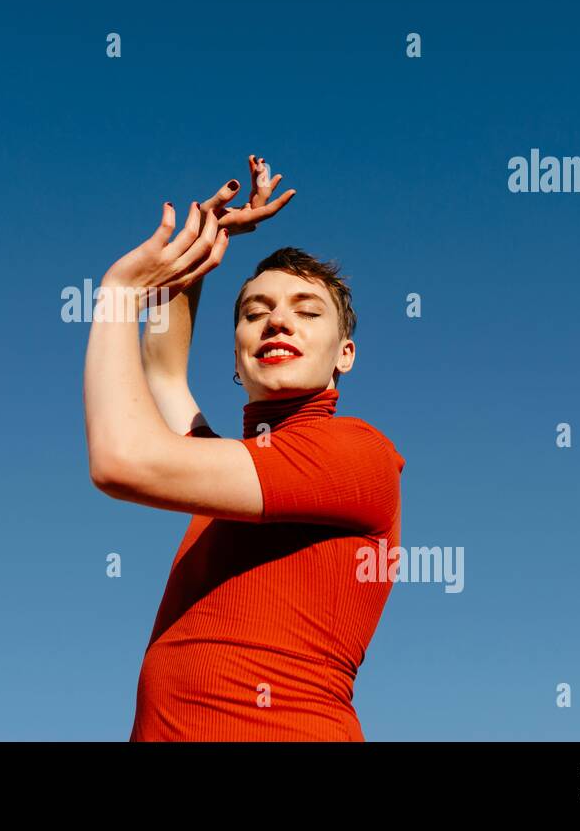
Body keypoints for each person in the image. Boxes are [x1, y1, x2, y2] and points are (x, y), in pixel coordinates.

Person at [84, 155, 406, 741]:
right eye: (256, 312)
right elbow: (163, 373)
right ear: (235, 357)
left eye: (307, 312)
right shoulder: (228, 471)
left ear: (345, 355)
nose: (278, 322)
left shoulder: (356, 454)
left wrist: (117, 293)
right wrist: (208, 244)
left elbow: (121, 459)